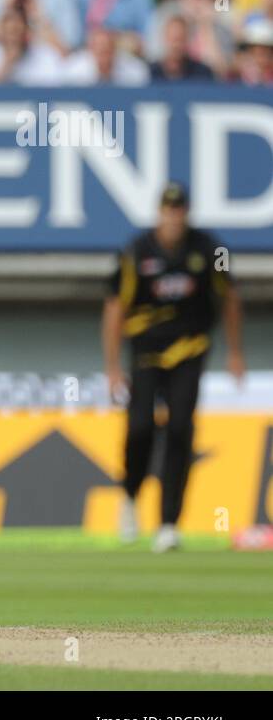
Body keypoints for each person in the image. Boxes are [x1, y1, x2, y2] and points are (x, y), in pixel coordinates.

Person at [103, 183, 245, 553]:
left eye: (179, 210)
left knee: (181, 428)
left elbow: (230, 297)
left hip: (189, 349)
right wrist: (113, 367)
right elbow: (115, 307)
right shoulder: (135, 252)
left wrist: (235, 353)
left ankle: (169, 523)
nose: (174, 217)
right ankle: (131, 497)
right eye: (168, 210)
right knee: (140, 428)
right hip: (146, 352)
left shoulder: (211, 250)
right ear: (159, 213)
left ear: (187, 213)